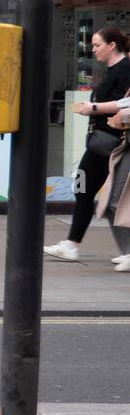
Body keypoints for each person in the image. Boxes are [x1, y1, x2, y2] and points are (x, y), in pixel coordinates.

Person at [45, 27, 130, 261]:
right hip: (102, 142)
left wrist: (93, 108)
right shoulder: (114, 70)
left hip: (110, 143)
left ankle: (73, 244)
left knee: (93, 192)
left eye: (97, 45)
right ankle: (76, 244)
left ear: (112, 45)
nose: (93, 50)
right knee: (95, 193)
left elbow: (125, 103)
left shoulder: (124, 69)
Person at [85, 87, 130, 269]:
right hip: (126, 147)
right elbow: (123, 104)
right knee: (111, 202)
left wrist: (123, 117)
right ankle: (127, 251)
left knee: (115, 201)